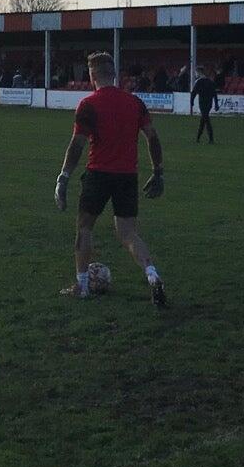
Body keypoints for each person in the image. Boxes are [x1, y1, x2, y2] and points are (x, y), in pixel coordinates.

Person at [54, 51, 169, 306]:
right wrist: (158, 171)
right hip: (127, 175)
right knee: (128, 233)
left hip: (98, 174)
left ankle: (82, 286)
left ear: (92, 76)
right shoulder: (135, 103)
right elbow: (152, 136)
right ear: (114, 73)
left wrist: (64, 177)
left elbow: (77, 145)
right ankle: (152, 275)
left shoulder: (89, 104)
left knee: (85, 227)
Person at [191, 69, 220, 144]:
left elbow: (193, 92)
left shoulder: (199, 82)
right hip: (208, 104)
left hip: (202, 103)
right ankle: (204, 138)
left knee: (205, 119)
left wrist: (192, 101)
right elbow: (215, 95)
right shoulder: (211, 83)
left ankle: (207, 138)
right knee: (204, 119)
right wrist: (216, 104)